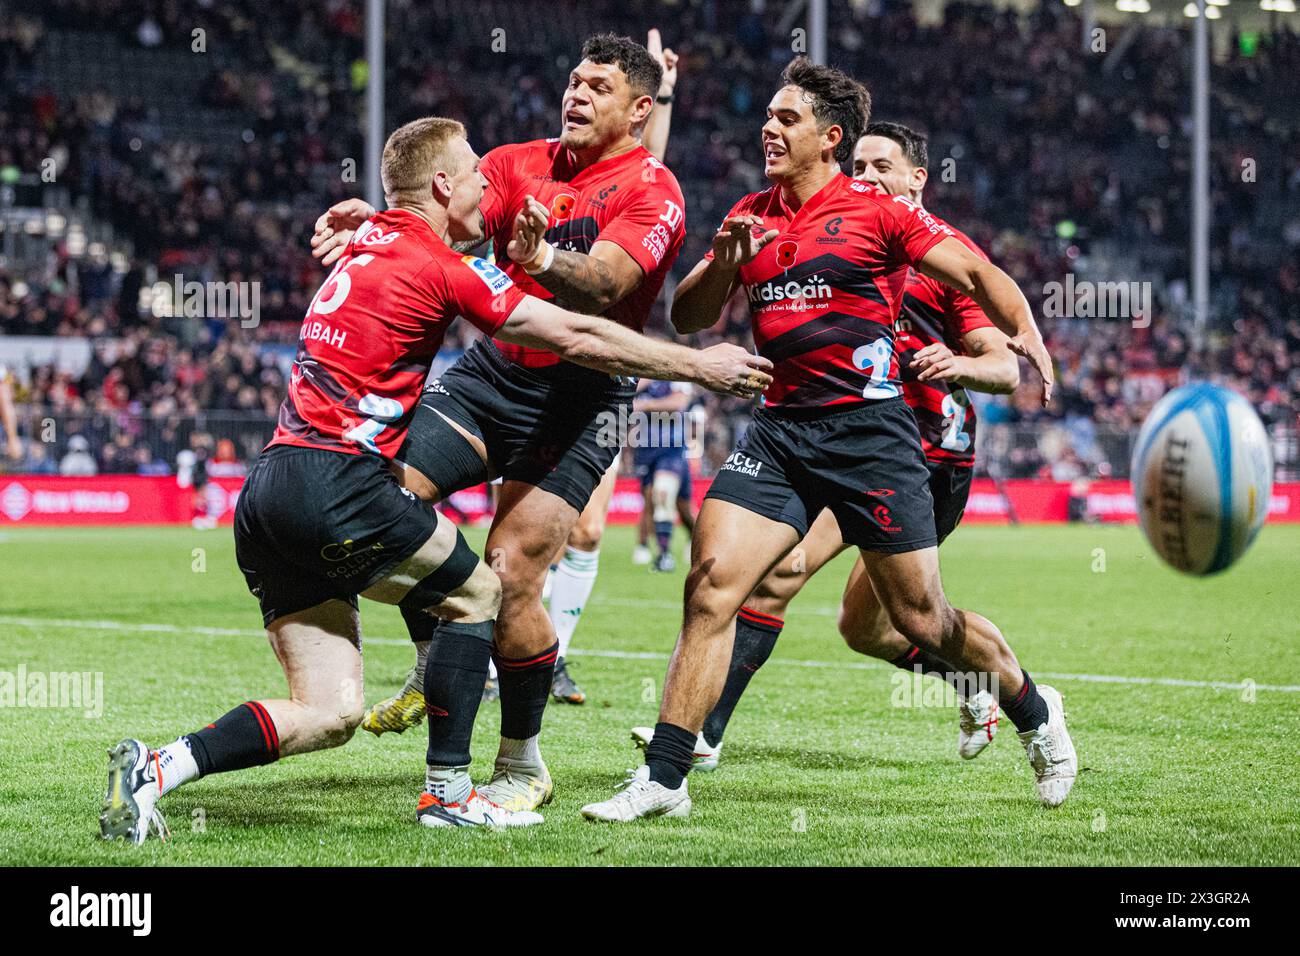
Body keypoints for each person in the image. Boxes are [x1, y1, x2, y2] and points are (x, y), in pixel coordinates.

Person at [99, 116, 771, 843]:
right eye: (477, 175)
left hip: (267, 494)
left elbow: (408, 229)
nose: (490, 187)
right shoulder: (442, 266)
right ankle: (448, 790)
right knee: (484, 590)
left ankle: (155, 769)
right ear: (445, 184)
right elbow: (577, 331)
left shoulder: (371, 242)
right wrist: (698, 366)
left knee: (331, 713)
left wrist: (374, 212)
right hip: (339, 484)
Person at [581, 59, 1074, 824]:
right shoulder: (753, 211)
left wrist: (1027, 338)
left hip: (872, 441)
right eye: (768, 117)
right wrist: (727, 268)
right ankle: (667, 777)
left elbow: (978, 273)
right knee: (713, 584)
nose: (768, 129)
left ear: (829, 136)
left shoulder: (880, 214)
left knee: (921, 622)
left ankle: (1033, 710)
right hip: (779, 433)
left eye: (786, 119)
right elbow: (687, 317)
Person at [312, 33, 702, 812]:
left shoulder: (655, 193)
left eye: (598, 86)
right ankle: (434, 656)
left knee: (514, 574)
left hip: (584, 400)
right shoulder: (516, 161)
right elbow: (446, 218)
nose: (577, 94)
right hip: (494, 376)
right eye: (573, 79)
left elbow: (607, 284)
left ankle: (521, 764)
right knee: (369, 502)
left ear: (639, 109)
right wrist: (381, 222)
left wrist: (547, 258)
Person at [632, 122, 1021, 771]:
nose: (865, 176)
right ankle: (702, 734)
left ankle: (1003, 692)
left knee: (882, 625)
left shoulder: (935, 255)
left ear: (917, 179)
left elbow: (1000, 363)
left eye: (881, 165)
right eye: (858, 163)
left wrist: (962, 360)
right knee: (775, 578)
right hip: (842, 442)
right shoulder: (835, 233)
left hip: (923, 460)